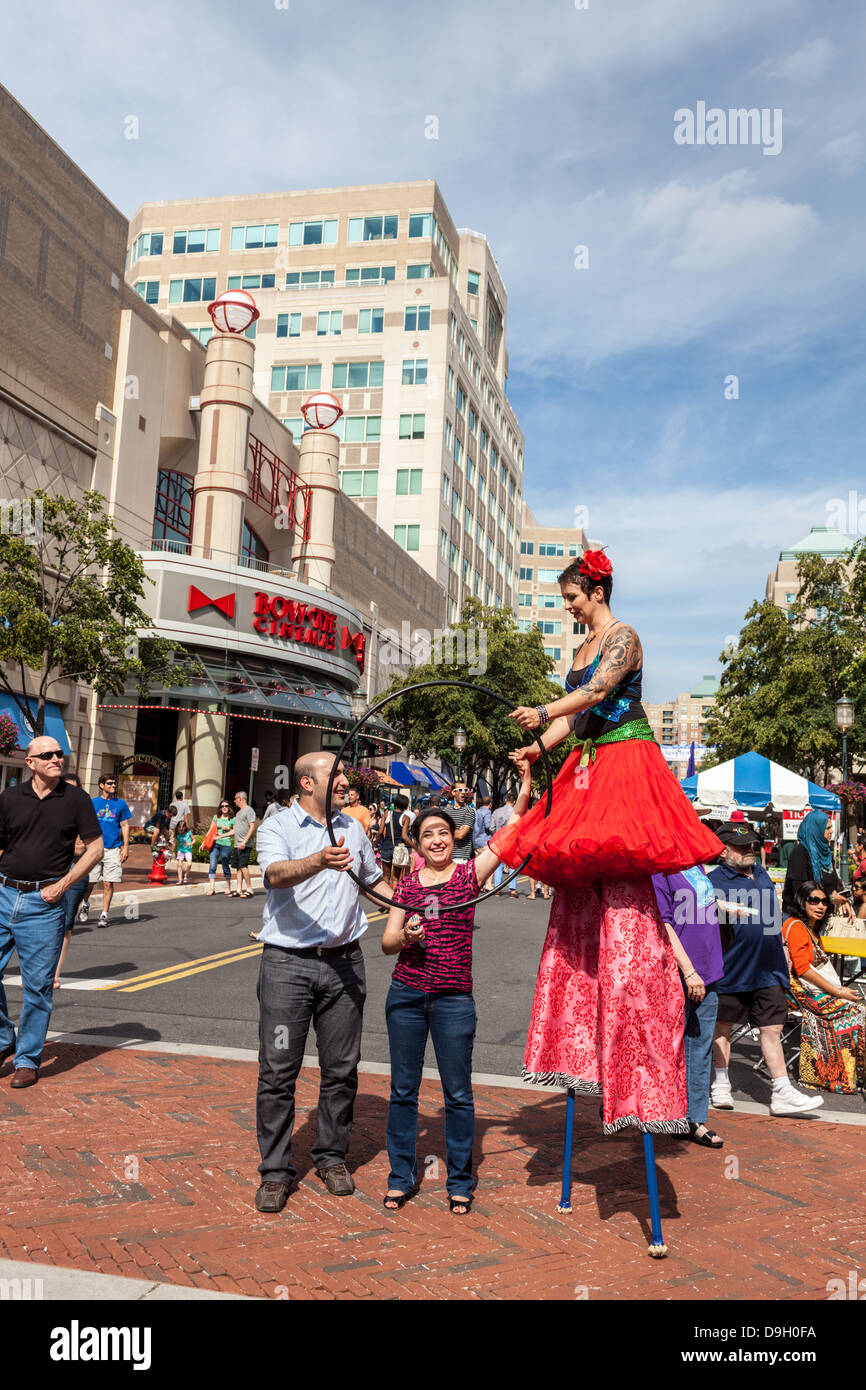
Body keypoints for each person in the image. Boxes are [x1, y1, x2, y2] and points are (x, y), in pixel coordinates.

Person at [492, 549, 723, 1134]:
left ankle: (643, 1027)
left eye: (571, 597)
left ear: (596, 590)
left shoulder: (625, 638)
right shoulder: (579, 646)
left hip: (625, 757)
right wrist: (538, 746)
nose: (567, 606)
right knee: (564, 853)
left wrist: (543, 708)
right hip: (589, 759)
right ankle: (581, 1022)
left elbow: (596, 694)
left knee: (619, 860)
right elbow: (573, 721)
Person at [381, 756, 533, 1213]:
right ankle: (400, 1175)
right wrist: (404, 936)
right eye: (428, 834)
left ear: (455, 836)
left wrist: (525, 782)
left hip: (452, 1000)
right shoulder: (407, 887)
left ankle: (460, 1181)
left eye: (443, 832)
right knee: (403, 1090)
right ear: (418, 843)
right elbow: (388, 941)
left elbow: (512, 832)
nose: (437, 840)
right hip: (406, 995)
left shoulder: (470, 876)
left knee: (458, 1093)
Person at [252, 752, 394, 1212]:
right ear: (307, 783)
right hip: (287, 966)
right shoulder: (278, 825)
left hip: (345, 964)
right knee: (277, 1073)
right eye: (334, 775)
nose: (343, 782)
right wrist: (316, 860)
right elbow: (274, 875)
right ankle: (275, 1172)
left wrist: (421, 905)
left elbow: (373, 882)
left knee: (341, 1070)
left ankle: (332, 1156)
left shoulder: (353, 828)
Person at [0, 738, 103, 1087]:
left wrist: (63, 884)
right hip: (3, 894)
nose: (56, 759)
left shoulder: (76, 800)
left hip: (44, 905)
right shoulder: (11, 798)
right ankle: (4, 1039)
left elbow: (96, 849)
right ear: (30, 762)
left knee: (38, 987)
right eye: (48, 755)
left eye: (59, 754)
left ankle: (27, 1060)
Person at [708, 822, 823, 1116]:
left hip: (769, 966)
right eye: (740, 846)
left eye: (750, 845)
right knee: (723, 1025)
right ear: (723, 851)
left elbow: (771, 913)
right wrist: (721, 907)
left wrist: (783, 945)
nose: (748, 850)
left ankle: (781, 1090)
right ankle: (721, 1082)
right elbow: (702, 909)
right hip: (733, 966)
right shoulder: (714, 879)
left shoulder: (760, 873)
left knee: (772, 1027)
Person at [652, 865, 725, 1148]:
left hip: (709, 969)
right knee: (663, 1046)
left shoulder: (695, 863)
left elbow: (700, 905)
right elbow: (664, 922)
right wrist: (688, 969)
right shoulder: (660, 867)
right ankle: (643, 1106)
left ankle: (693, 1119)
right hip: (682, 972)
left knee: (700, 1047)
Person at [781, 881, 866, 1093]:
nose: (820, 906)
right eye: (814, 901)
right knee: (856, 1012)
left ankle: (850, 1075)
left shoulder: (811, 928)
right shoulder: (797, 927)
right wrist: (837, 991)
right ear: (802, 902)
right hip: (797, 993)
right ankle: (836, 1077)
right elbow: (803, 970)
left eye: (824, 902)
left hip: (810, 990)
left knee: (858, 1011)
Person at [80, 774, 132, 929]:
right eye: (110, 783)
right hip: (94, 848)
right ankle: (85, 903)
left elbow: (125, 826)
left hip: (113, 848)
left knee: (108, 883)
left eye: (115, 784)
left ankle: (104, 915)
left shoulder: (121, 804)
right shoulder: (93, 803)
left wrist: (126, 847)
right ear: (101, 785)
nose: (113, 786)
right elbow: (84, 823)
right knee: (90, 882)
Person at [782, 810, 854, 921]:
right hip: (800, 919)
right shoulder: (799, 853)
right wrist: (829, 898)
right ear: (815, 830)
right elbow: (799, 892)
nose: (831, 831)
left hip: (820, 919)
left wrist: (843, 900)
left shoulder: (825, 854)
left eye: (831, 827)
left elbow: (833, 883)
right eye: (827, 828)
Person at [54, 774, 90, 988]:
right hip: (48, 872)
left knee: (66, 924)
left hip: (75, 873)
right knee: (43, 925)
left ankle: (54, 973)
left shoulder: (84, 814)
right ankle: (40, 972)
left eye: (73, 789)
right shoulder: (46, 810)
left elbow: (83, 848)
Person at [376, 796, 412, 884]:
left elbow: (380, 832)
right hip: (398, 849)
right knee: (396, 878)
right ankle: (393, 897)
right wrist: (415, 845)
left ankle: (383, 897)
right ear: (406, 806)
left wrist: (376, 844)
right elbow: (404, 836)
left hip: (386, 848)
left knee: (386, 876)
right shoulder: (406, 818)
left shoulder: (387, 813)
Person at [206, 800, 235, 896]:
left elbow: (234, 831)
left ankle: (228, 887)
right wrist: (204, 841)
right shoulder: (216, 817)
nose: (224, 807)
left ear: (229, 807)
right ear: (220, 808)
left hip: (226, 845)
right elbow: (210, 830)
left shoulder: (232, 819)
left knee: (225, 865)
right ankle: (212, 888)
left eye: (226, 806)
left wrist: (228, 829)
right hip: (215, 844)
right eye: (222, 806)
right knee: (212, 865)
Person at [489, 793, 517, 895]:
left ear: (505, 800)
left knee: (498, 865)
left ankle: (497, 888)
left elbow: (491, 828)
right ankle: (512, 889)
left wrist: (496, 833)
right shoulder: (515, 813)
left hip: (499, 840)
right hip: (512, 840)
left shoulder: (496, 811)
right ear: (514, 802)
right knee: (512, 865)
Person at [232, 791, 256, 898]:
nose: (234, 801)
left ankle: (249, 889)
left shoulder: (249, 810)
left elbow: (252, 826)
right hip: (237, 844)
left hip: (245, 844)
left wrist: (244, 841)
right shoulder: (238, 813)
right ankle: (238, 889)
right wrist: (220, 836)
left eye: (235, 799)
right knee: (238, 867)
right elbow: (235, 830)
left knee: (243, 866)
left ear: (240, 799)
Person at [449, 784, 476, 863]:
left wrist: (446, 831)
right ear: (453, 793)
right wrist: (456, 831)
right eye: (460, 790)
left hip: (460, 857)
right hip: (446, 855)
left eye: (466, 790)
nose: (463, 792)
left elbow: (460, 835)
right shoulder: (446, 811)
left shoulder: (469, 811)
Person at [172, 815, 194, 885]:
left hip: (188, 850)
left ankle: (186, 875)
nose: (180, 831)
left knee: (189, 864)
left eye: (182, 829)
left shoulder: (189, 833)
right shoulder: (177, 834)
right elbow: (174, 842)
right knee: (179, 865)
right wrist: (171, 850)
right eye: (179, 829)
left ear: (184, 828)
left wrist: (190, 844)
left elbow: (194, 840)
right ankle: (180, 879)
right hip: (180, 850)